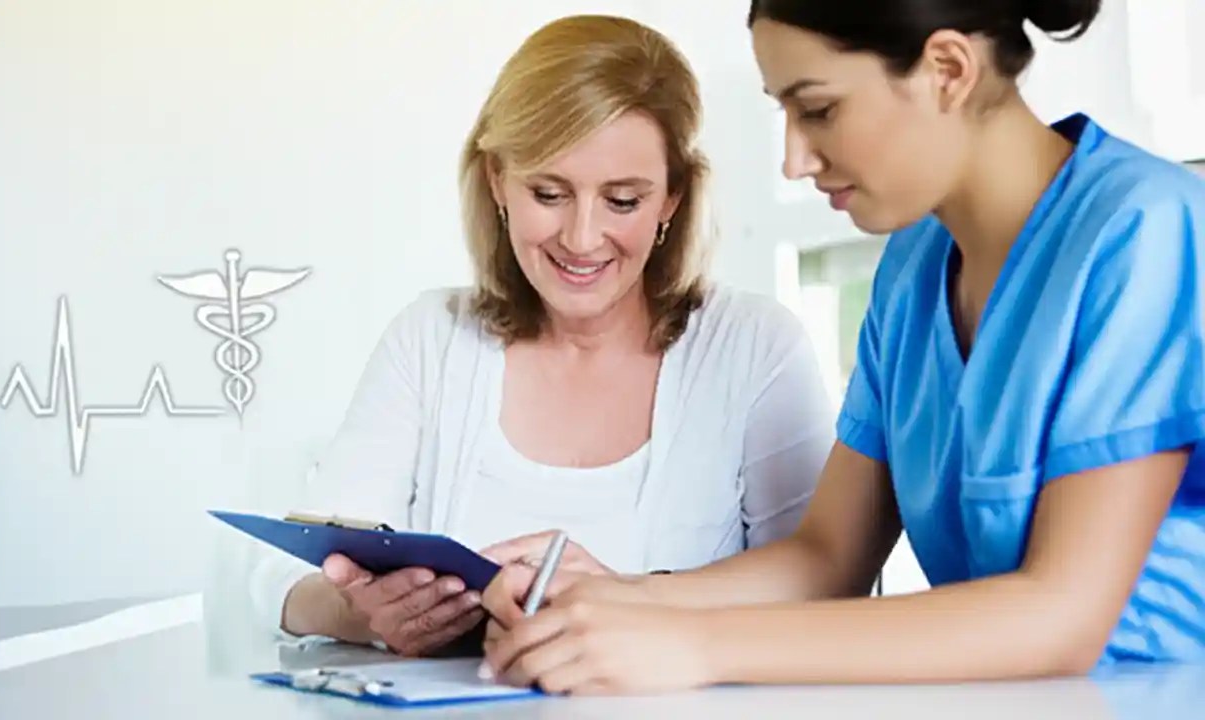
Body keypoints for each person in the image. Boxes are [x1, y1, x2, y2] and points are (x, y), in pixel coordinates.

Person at [479, 0, 1205, 694]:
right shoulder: (915, 262)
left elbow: (1063, 618)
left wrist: (694, 646)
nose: (794, 158)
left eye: (818, 109)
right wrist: (616, 602)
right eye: (784, 112)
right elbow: (827, 557)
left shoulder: (1146, 229)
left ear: (948, 70)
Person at [248, 14, 835, 659]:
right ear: (498, 180)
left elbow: (828, 596)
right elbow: (282, 580)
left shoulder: (756, 350)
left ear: (672, 198)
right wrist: (363, 614)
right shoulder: (430, 340)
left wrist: (631, 603)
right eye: (549, 193)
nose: (582, 239)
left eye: (623, 201)